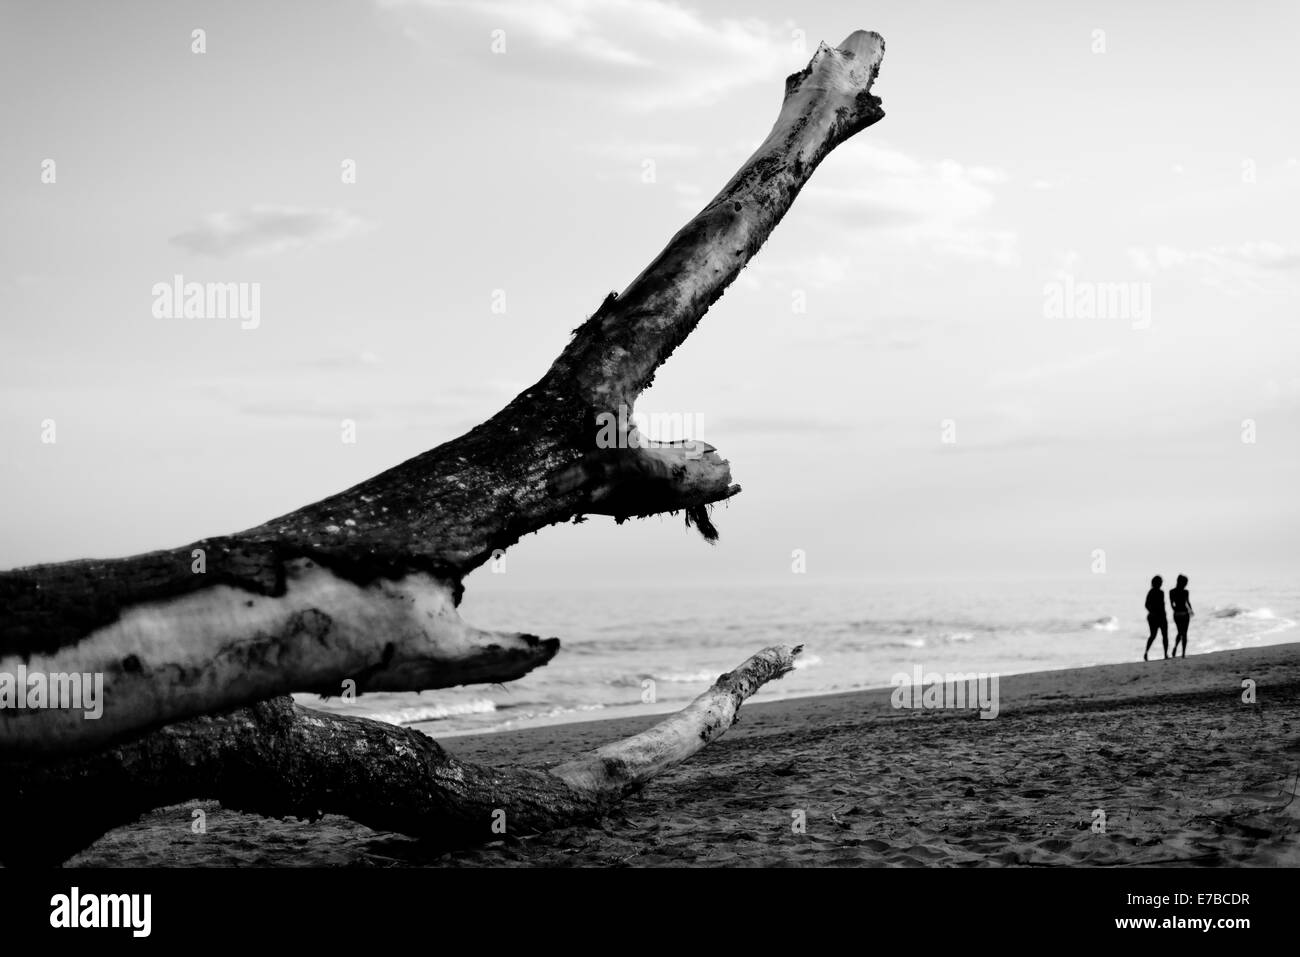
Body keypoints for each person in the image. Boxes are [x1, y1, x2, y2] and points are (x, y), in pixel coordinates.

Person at [1144, 575, 1168, 661]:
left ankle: (1165, 654)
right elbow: (1146, 605)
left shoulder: (1161, 592)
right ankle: (1146, 652)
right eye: (1160, 582)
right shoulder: (1152, 592)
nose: (1161, 583)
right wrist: (1153, 612)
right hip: (1155, 617)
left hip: (1160, 616)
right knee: (1154, 635)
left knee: (1163, 635)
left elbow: (1162, 605)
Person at [1170, 574, 1193, 658]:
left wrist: (1190, 610)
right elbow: (1187, 602)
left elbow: (1172, 604)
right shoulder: (1184, 592)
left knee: (1181, 632)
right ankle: (1181, 652)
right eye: (1185, 582)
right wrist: (1191, 610)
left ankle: (1178, 649)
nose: (1186, 584)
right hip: (1183, 613)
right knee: (1183, 633)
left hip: (1178, 614)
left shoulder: (1172, 591)